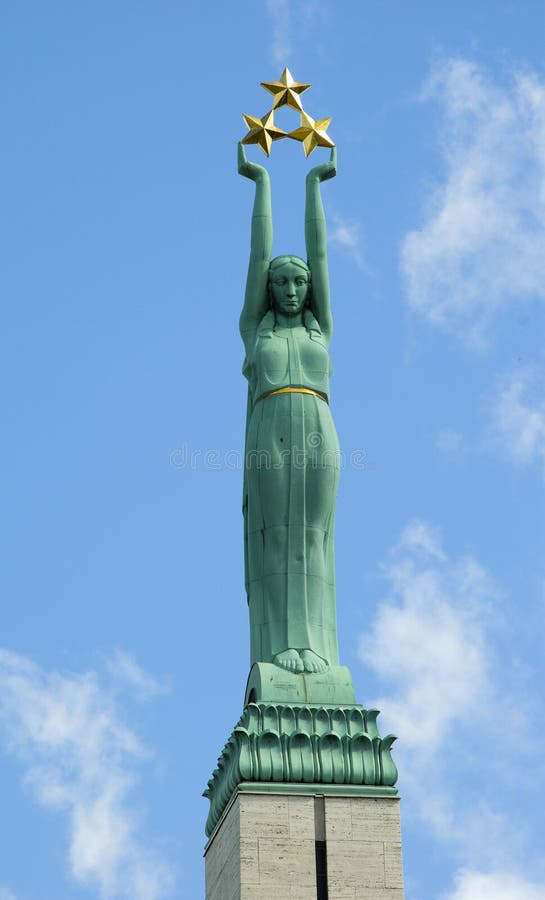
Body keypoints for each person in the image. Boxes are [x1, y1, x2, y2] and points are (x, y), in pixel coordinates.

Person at [238, 141, 340, 675]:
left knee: (313, 539)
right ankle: (281, 647)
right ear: (269, 290)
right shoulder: (256, 330)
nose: (294, 289)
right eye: (282, 282)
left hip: (319, 426)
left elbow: (320, 255)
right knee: (278, 535)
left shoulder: (320, 327)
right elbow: (258, 256)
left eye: (300, 281)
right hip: (270, 425)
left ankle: (317, 649)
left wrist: (313, 186)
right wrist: (262, 183)